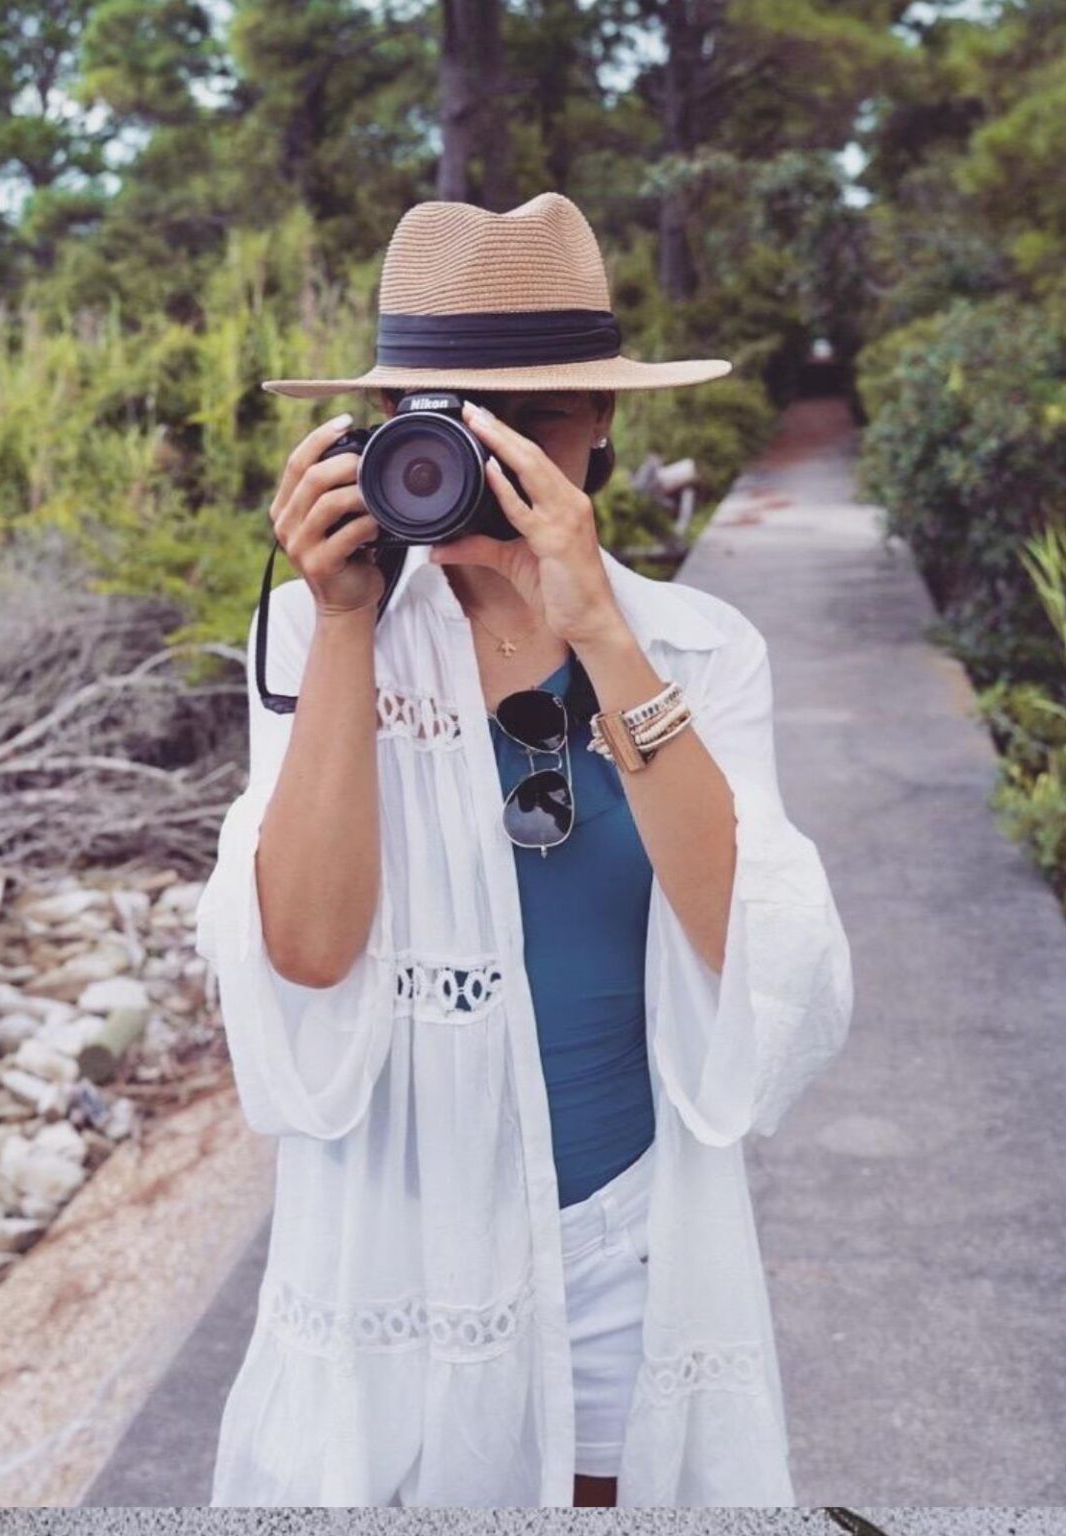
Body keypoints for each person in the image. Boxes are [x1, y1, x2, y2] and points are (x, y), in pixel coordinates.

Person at [194, 191, 854, 1508]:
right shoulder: (313, 648)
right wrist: (337, 625)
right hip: (394, 1243)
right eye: (448, 427)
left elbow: (756, 949)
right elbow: (309, 955)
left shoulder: (702, 652)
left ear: (605, 419)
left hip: (627, 1253)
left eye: (526, 423)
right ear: (382, 435)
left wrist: (601, 629)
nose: (487, 468)